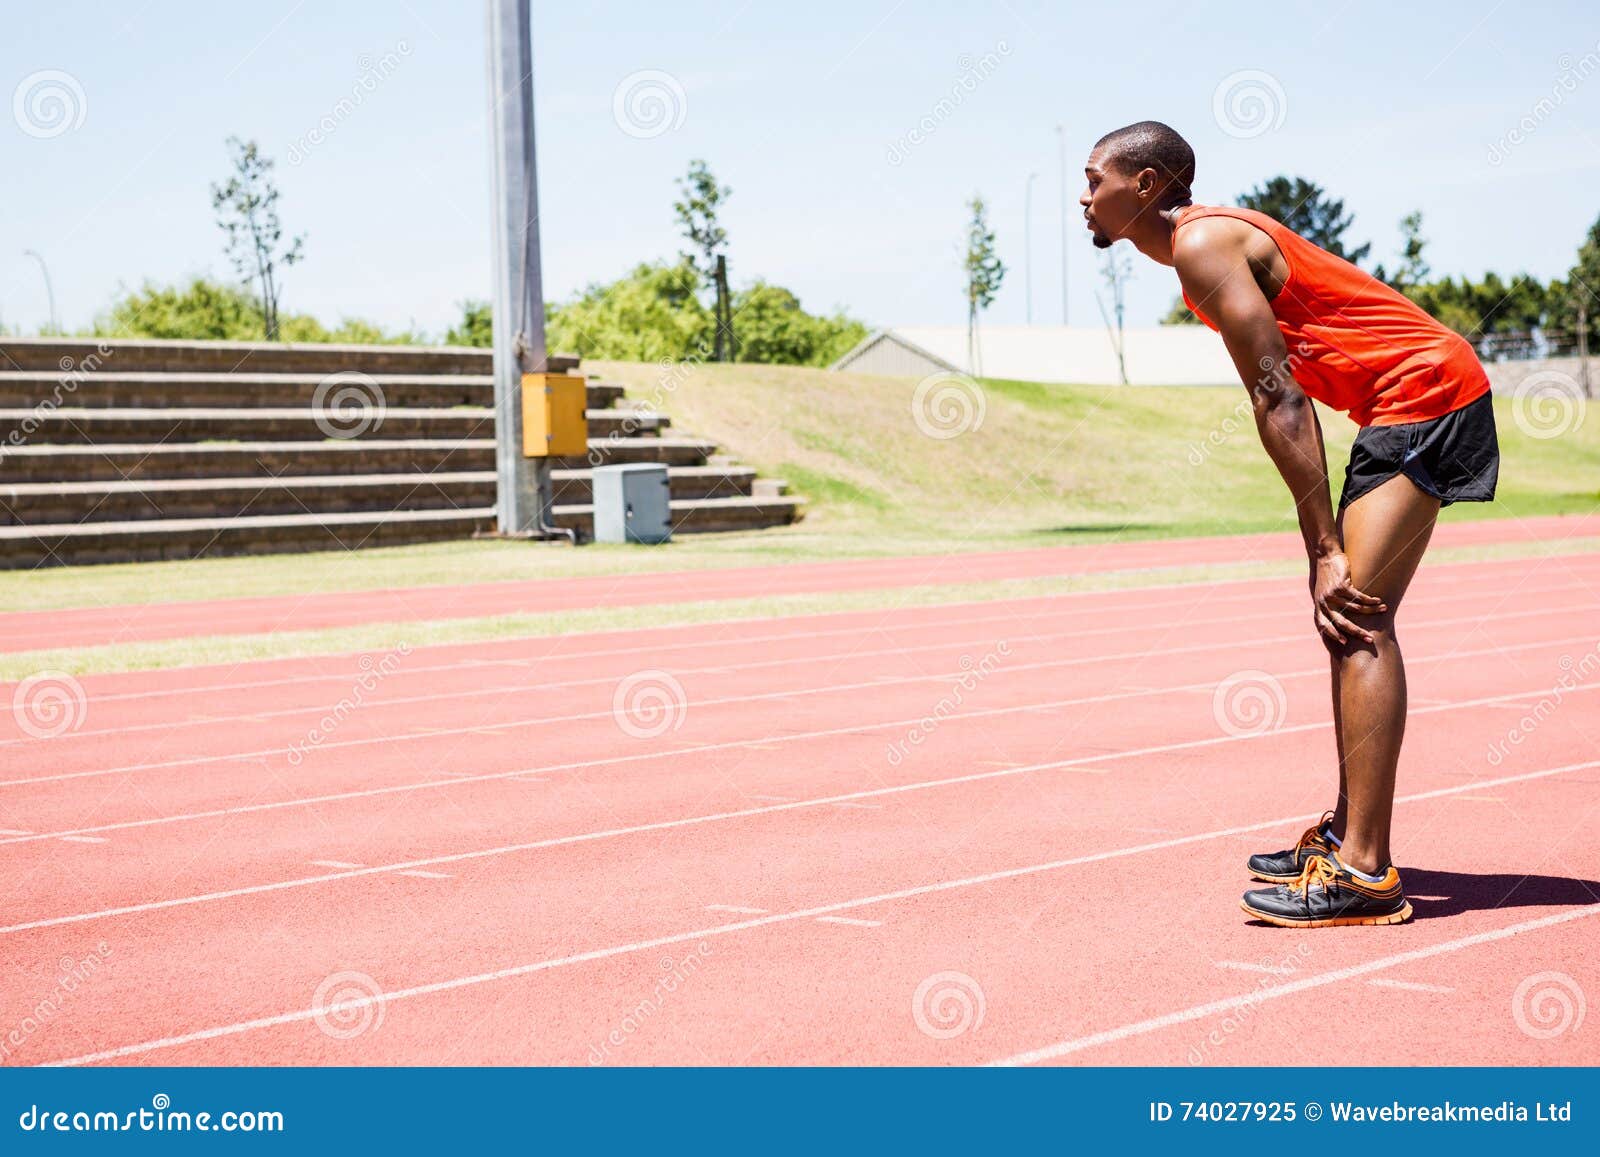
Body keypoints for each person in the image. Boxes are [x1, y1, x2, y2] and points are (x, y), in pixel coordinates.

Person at [1080, 120, 1499, 927]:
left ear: (1147, 185)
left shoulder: (1204, 246)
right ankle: (1347, 834)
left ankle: (1365, 873)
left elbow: (1278, 396)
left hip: (1429, 395)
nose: (1083, 197)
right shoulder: (1199, 253)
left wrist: (1324, 549)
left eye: (1093, 178)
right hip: (1399, 404)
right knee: (1345, 624)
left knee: (1356, 622)